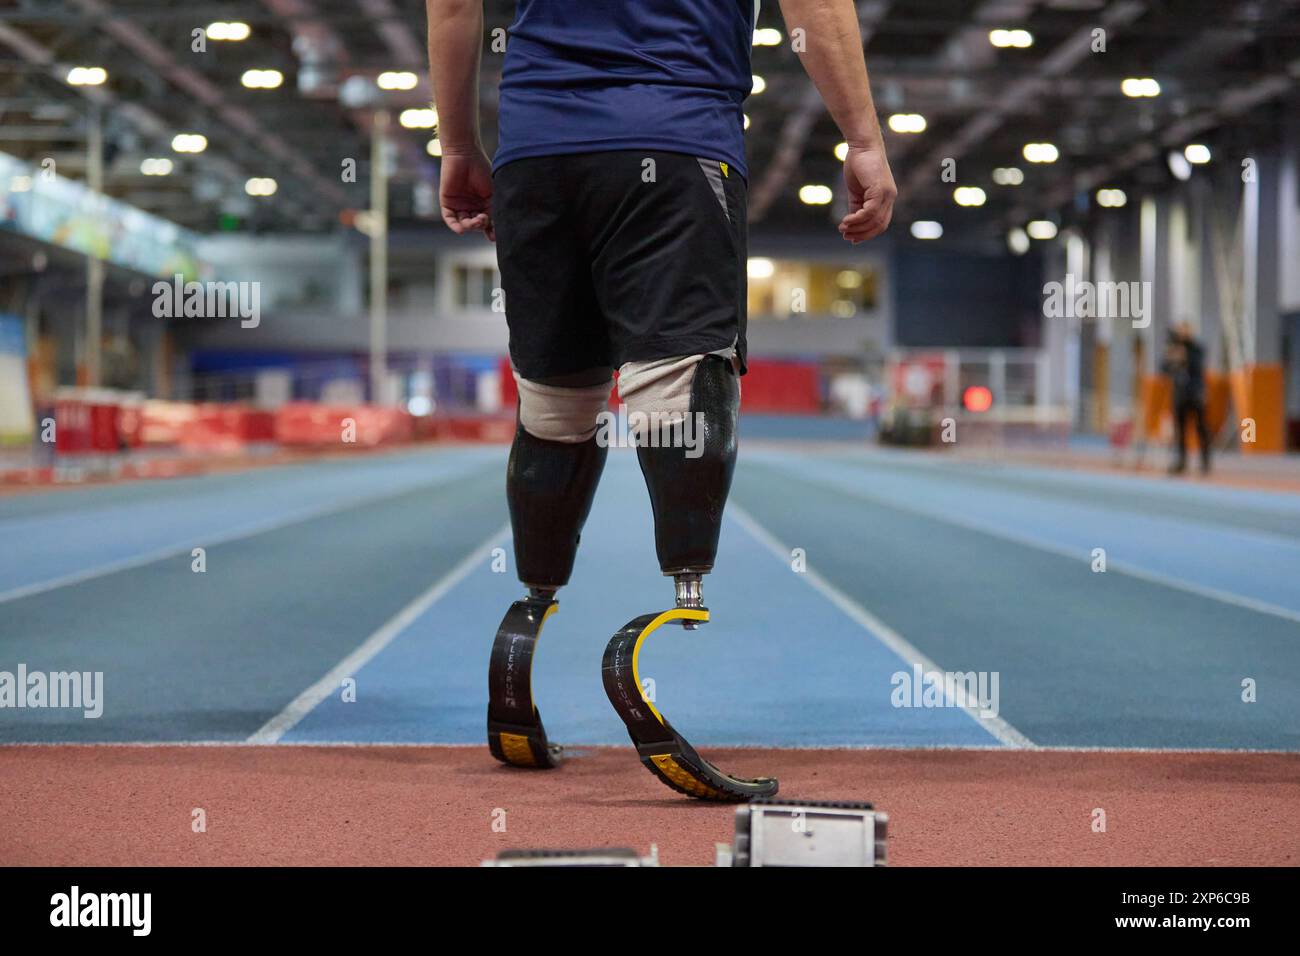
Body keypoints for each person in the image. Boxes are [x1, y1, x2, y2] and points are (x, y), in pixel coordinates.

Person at [426, 0, 896, 791]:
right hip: (675, 137)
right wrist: (863, 139)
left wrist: (460, 142)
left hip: (538, 154)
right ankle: (679, 599)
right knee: (682, 386)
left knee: (552, 404)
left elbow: (453, 4)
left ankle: (528, 626)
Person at [1163, 321, 1211, 475]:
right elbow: (1164, 369)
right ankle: (1181, 461)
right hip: (1180, 395)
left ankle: (1205, 462)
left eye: (1185, 329)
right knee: (1180, 431)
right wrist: (1173, 358)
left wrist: (1185, 356)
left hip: (1195, 394)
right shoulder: (1174, 348)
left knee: (1201, 428)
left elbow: (1198, 366)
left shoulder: (1196, 348)